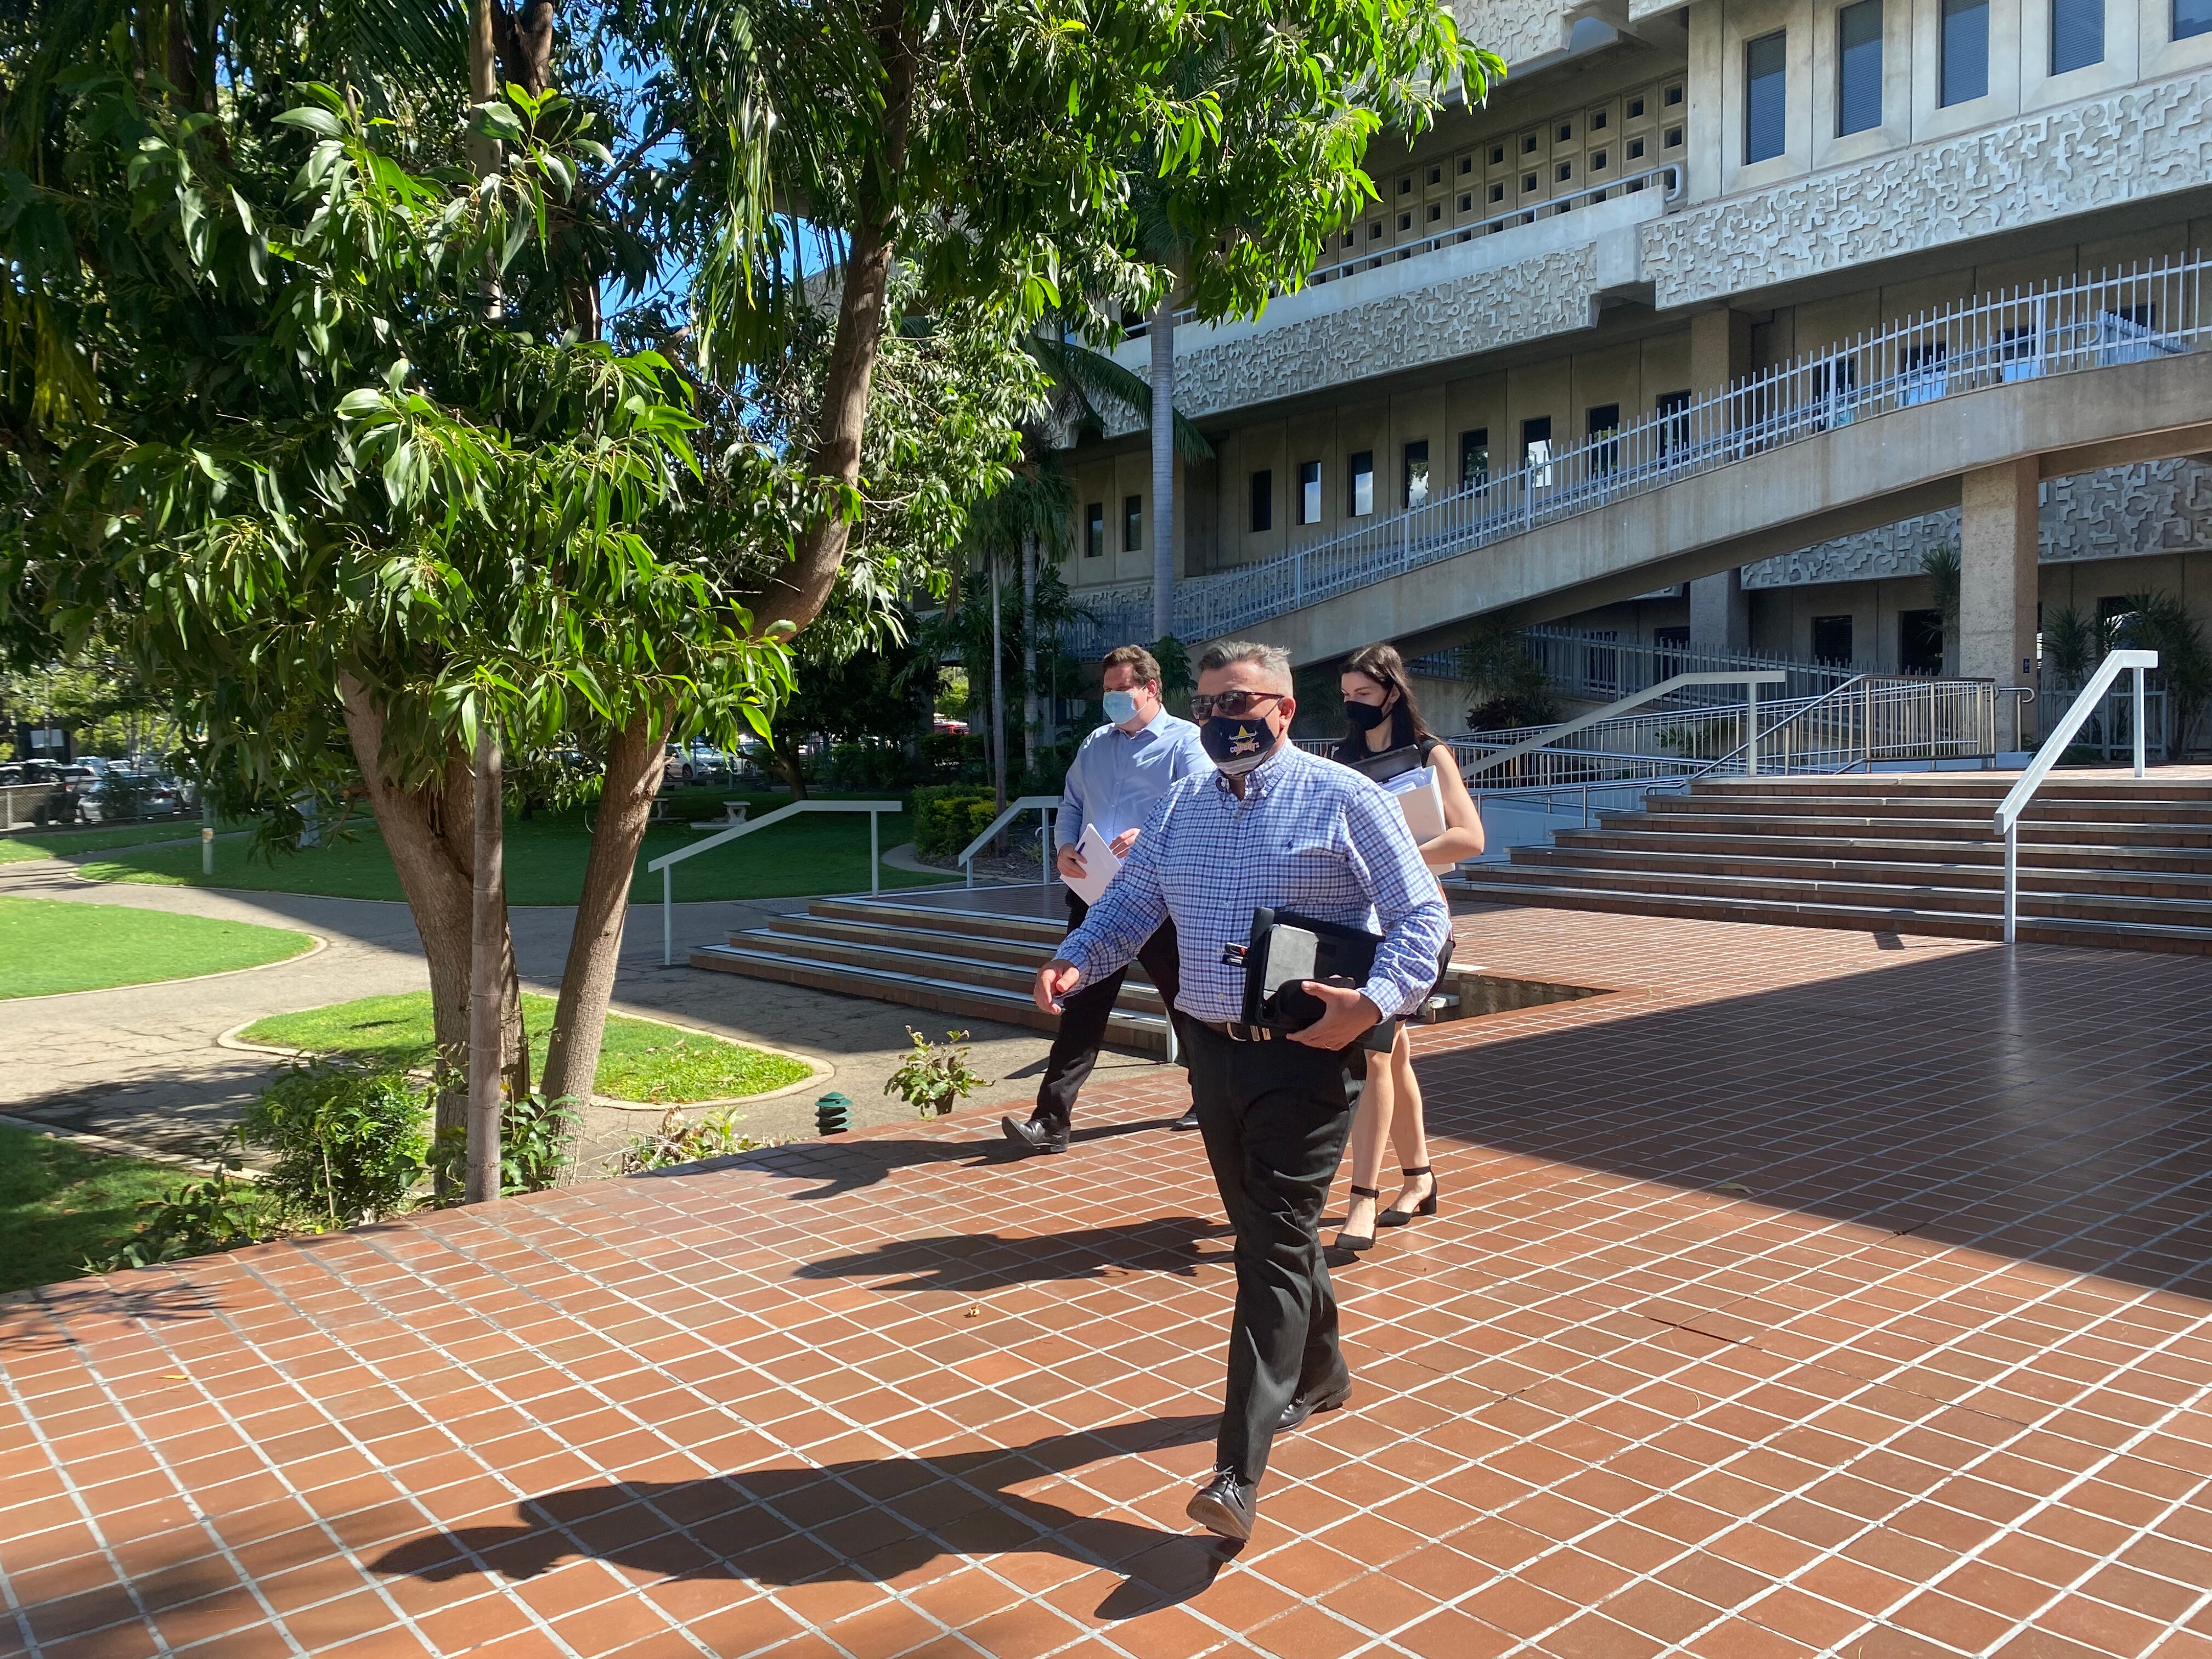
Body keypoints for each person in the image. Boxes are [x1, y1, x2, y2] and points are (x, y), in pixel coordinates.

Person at [1031, 640, 1451, 1543]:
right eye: (1211, 701)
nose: (1225, 717)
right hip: (1214, 1057)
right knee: (1279, 1232)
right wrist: (1075, 958)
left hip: (1308, 1055)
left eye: (1242, 700)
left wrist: (1372, 1003)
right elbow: (1131, 903)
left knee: (1263, 1251)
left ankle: (1236, 1469)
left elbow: (1424, 920)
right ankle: (1324, 1368)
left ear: (1285, 709)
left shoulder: (1349, 800)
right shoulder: (1182, 805)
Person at [1001, 644, 1210, 1154]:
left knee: (1187, 1004)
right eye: (1108, 691)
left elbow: (1205, 805)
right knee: (1082, 1006)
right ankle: (1051, 1122)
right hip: (1096, 896)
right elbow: (1071, 803)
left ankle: (1211, 1096)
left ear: (1151, 688)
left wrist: (1150, 833)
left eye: (1122, 690)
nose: (1113, 699)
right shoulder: (1096, 744)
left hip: (1159, 901)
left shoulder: (1187, 743)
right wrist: (1065, 847)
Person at [1327, 643, 1486, 1252]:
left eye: (1363, 696)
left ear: (1392, 692)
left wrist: (1396, 860)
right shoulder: (1339, 759)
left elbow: (1469, 837)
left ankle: (1361, 1200)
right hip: (1355, 920)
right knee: (1393, 1055)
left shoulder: (1428, 753)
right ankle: (1418, 1178)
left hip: (1413, 921)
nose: (1353, 707)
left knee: (1373, 1052)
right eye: (1346, 697)